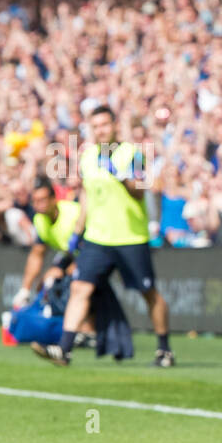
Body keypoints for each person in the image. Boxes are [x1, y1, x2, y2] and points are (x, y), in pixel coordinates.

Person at [33, 105, 174, 367]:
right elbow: (87, 196)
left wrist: (121, 175)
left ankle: (164, 349)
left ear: (114, 126)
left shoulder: (131, 154)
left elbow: (141, 191)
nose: (100, 131)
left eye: (104, 125)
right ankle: (64, 349)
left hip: (130, 237)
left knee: (148, 293)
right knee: (80, 287)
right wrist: (78, 232)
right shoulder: (87, 157)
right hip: (97, 238)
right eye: (95, 126)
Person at [14, 175, 95, 348]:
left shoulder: (73, 213)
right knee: (46, 281)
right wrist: (24, 290)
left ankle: (89, 330)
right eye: (35, 201)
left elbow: (91, 244)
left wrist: (69, 267)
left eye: (43, 200)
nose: (39, 205)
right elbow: (37, 254)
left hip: (93, 250)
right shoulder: (39, 219)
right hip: (71, 254)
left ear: (53, 199)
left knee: (77, 278)